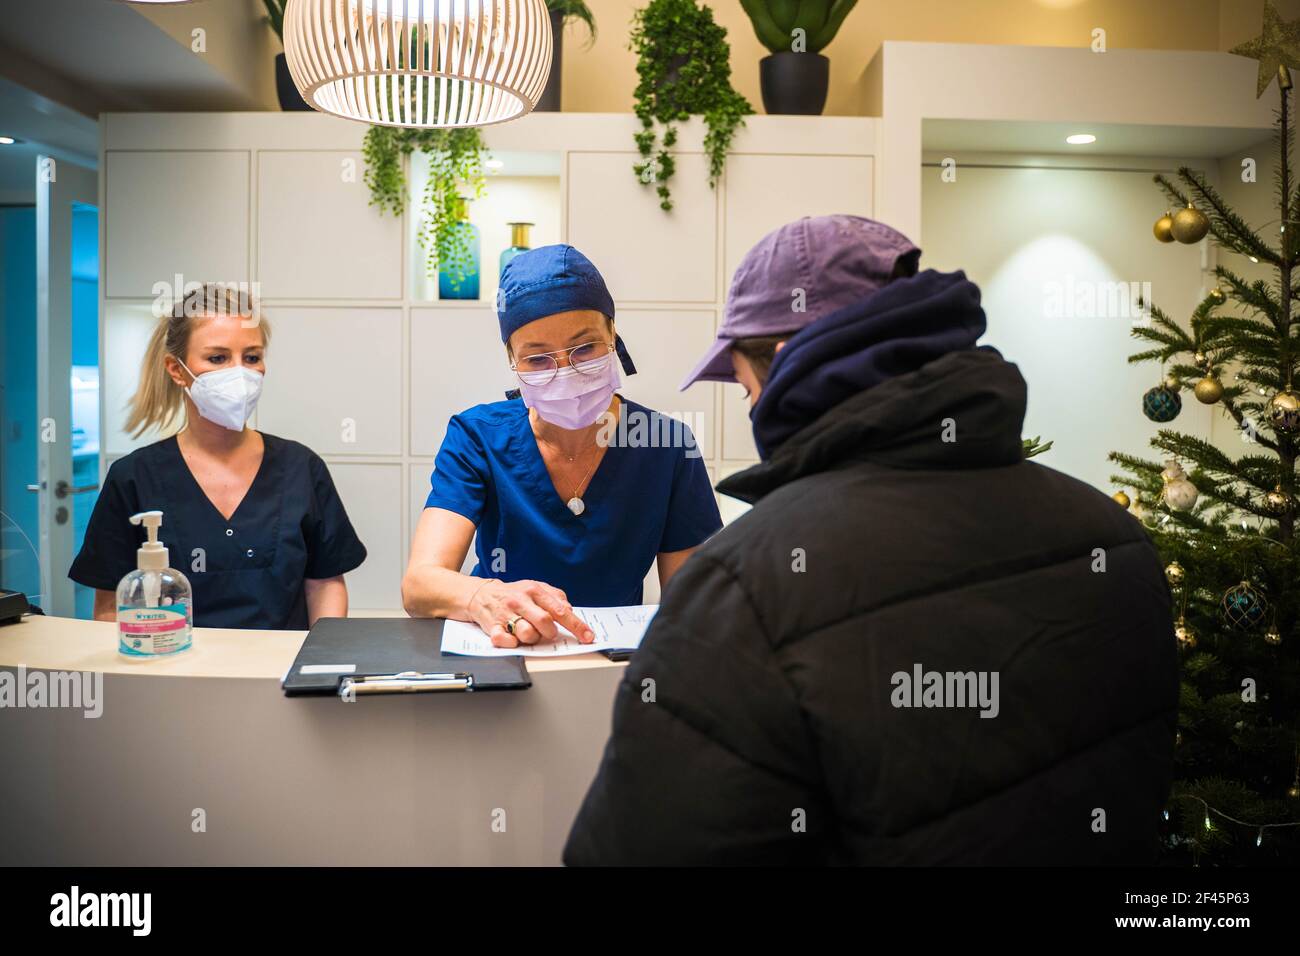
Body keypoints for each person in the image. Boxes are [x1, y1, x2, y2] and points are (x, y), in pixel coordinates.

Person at [564, 215, 1178, 865]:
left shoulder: (743, 592)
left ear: (788, 368)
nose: (750, 412)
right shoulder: (1116, 544)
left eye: (745, 389)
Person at [403, 244, 722, 647]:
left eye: (585, 348)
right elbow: (419, 586)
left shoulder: (668, 447)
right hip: (503, 650)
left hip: (609, 660)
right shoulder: (478, 437)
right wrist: (483, 596)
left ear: (614, 338)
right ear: (513, 362)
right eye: (537, 359)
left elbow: (690, 605)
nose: (566, 373)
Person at [70, 284, 367, 630]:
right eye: (218, 358)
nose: (239, 373)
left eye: (252, 357)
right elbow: (109, 608)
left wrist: (320, 663)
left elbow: (325, 583)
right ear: (177, 369)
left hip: (281, 675)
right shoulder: (134, 477)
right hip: (172, 674)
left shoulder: (300, 467)